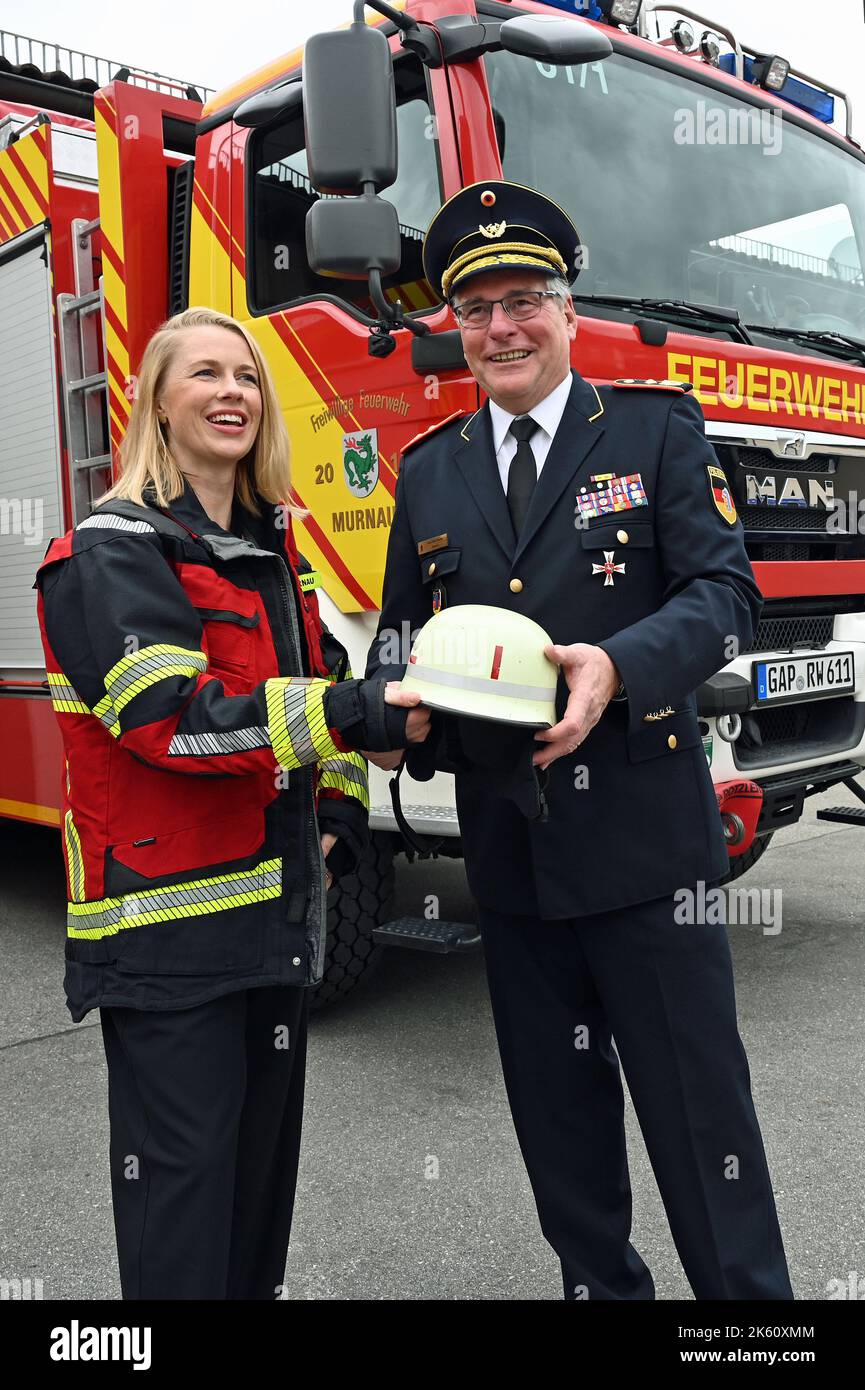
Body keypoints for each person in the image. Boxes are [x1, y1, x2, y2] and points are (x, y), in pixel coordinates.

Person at [366, 182, 793, 1300]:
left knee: (706, 1133)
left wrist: (620, 665)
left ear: (567, 307)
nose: (500, 329)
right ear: (456, 330)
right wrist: (383, 715)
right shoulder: (430, 468)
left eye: (523, 301)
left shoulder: (655, 429)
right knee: (561, 1139)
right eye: (475, 311)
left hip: (648, 855)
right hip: (510, 860)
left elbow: (722, 596)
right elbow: (401, 629)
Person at [35, 306, 429, 1300]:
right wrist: (351, 712)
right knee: (184, 1213)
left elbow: (315, 698)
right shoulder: (113, 549)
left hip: (270, 932)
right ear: (156, 406)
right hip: (168, 952)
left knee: (254, 1214)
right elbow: (169, 716)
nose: (232, 392)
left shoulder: (267, 552)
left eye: (247, 376)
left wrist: (338, 812)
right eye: (204, 374)